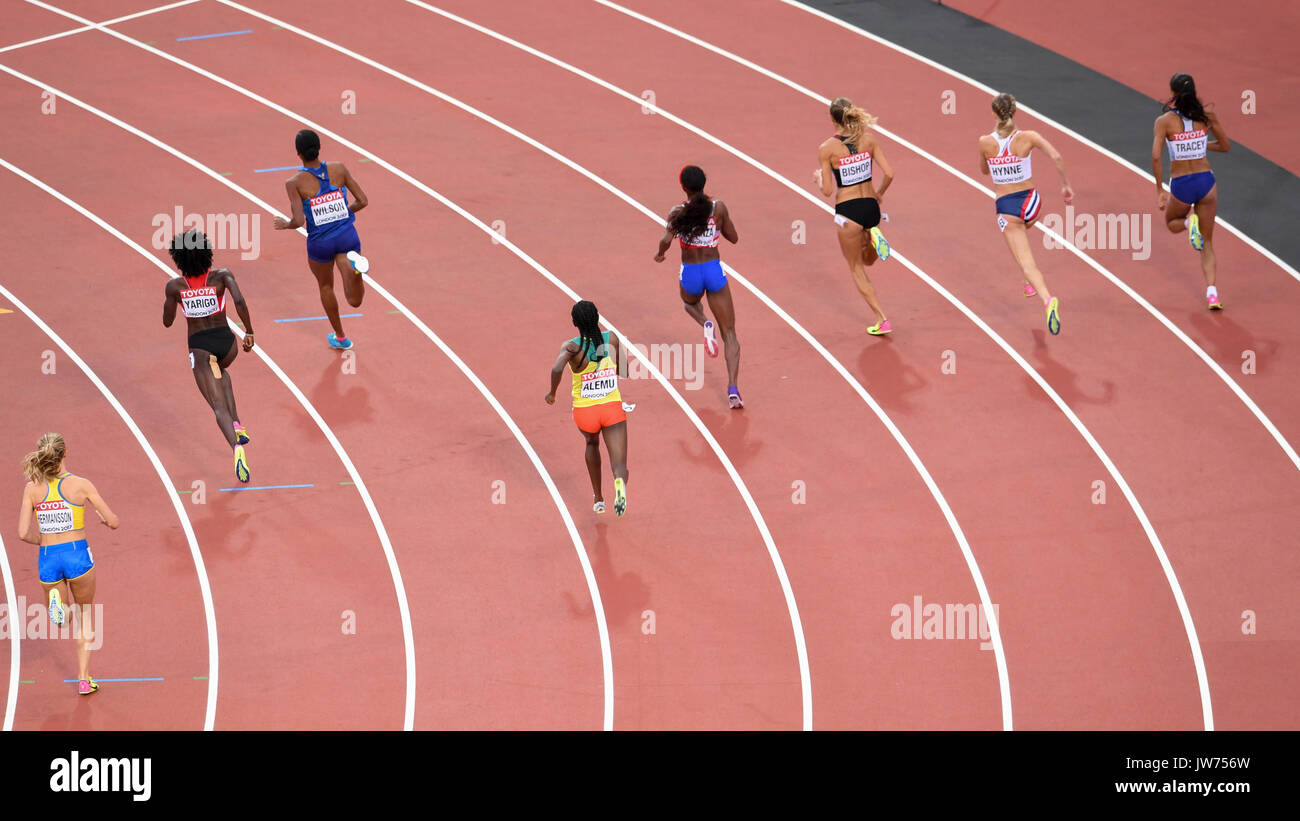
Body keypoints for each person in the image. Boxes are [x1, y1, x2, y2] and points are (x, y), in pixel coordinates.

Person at [15, 433, 119, 695]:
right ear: (65, 454)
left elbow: (22, 533)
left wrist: (44, 540)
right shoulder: (81, 485)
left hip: (48, 557)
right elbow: (114, 521)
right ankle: (84, 679)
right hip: (77, 556)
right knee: (86, 614)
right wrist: (106, 522)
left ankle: (61, 612)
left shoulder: (32, 489)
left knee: (63, 619)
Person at [162, 229, 257, 482]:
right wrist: (249, 332)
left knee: (217, 407)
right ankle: (237, 424)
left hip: (200, 348)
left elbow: (167, 322)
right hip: (228, 344)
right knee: (221, 372)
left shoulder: (175, 287)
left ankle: (236, 449)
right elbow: (240, 301)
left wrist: (176, 302)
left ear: (178, 258)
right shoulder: (221, 277)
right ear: (207, 253)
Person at [978, 92, 1071, 334]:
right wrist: (1065, 185)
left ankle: (1048, 299)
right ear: (1015, 111)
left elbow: (984, 171)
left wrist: (998, 163)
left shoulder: (985, 142)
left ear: (993, 114)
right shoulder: (1030, 137)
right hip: (1032, 203)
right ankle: (1027, 283)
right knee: (1022, 234)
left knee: (1026, 261)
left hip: (1007, 208)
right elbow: (1057, 156)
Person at [272, 129, 371, 348]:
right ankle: (354, 269)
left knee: (326, 286)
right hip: (347, 235)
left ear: (298, 153)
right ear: (319, 148)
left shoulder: (294, 183)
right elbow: (363, 200)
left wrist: (286, 224)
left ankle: (341, 337)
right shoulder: (339, 169)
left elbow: (298, 220)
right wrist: (345, 212)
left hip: (320, 243)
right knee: (355, 301)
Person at [654, 165, 743, 408]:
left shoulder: (677, 212)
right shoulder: (718, 208)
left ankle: (704, 322)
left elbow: (665, 240)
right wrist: (717, 227)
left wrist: (659, 254)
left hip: (691, 272)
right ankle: (733, 389)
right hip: (713, 270)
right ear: (704, 184)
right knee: (730, 334)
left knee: (688, 303)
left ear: (683, 187)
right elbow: (733, 238)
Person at [815, 96, 895, 335]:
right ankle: (873, 235)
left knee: (857, 268)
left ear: (831, 119)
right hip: (872, 207)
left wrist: (819, 179)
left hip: (848, 211)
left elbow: (829, 191)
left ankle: (882, 318)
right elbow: (890, 173)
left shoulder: (827, 148)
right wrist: (878, 193)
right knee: (868, 260)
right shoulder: (869, 140)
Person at [1151, 73, 1231, 309]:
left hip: (1182, 184)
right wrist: (1201, 145)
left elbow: (1156, 156)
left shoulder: (1164, 121)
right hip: (1206, 182)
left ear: (1173, 95)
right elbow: (1225, 146)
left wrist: (1159, 190)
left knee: (1173, 221)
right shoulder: (1206, 116)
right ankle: (1213, 294)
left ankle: (1189, 225)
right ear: (1194, 92)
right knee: (1207, 244)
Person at [545, 301, 629, 516]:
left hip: (586, 411)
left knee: (591, 443)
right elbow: (625, 372)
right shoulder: (612, 339)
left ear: (575, 322)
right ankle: (619, 482)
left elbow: (556, 368)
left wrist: (552, 393)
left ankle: (598, 498)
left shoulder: (571, 347)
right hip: (611, 408)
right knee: (619, 463)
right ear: (598, 318)